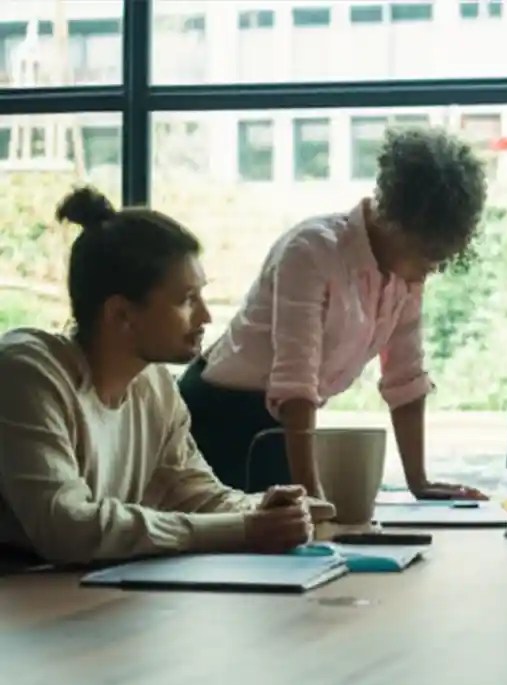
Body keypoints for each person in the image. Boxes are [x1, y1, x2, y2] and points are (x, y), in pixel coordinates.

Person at [0, 187, 320, 565]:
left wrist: (263, 510)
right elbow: (68, 528)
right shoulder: (28, 374)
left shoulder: (155, 386)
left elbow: (195, 493)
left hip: (77, 587)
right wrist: (244, 528)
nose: (205, 317)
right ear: (121, 314)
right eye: (187, 300)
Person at [178, 127, 489, 500]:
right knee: (268, 531)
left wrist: (419, 482)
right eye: (425, 254)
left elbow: (405, 378)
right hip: (220, 416)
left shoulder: (404, 276)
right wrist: (311, 496)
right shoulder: (312, 251)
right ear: (393, 220)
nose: (428, 270)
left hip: (282, 423)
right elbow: (296, 382)